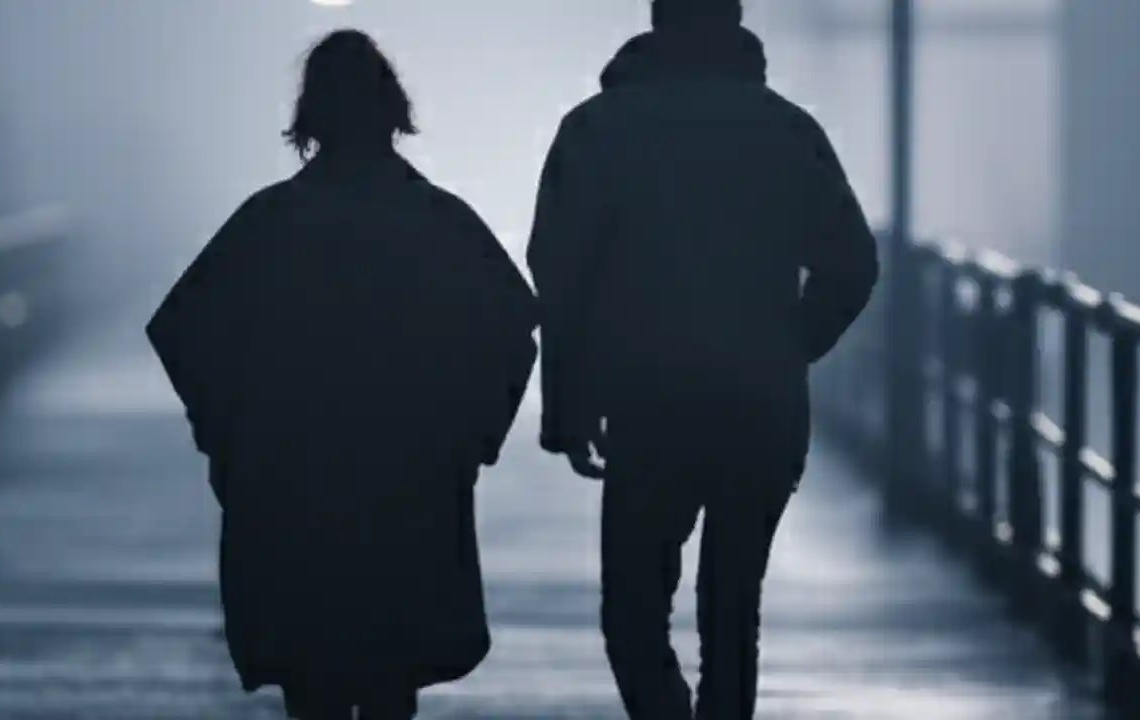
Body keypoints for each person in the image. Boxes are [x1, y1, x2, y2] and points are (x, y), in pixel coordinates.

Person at [147, 29, 536, 720]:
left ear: (312, 118)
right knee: (393, 664)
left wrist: (224, 431)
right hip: (410, 470)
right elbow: (512, 328)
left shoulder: (268, 222)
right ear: (393, 112)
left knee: (312, 664)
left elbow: (180, 328)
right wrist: (474, 434)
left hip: (290, 470)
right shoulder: (441, 223)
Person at [526, 1, 879, 717]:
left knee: (633, 611)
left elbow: (560, 276)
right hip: (760, 402)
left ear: (658, 21)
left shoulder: (597, 130)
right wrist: (792, 346)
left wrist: (567, 399)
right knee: (731, 611)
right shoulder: (787, 129)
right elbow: (852, 264)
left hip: (647, 401)